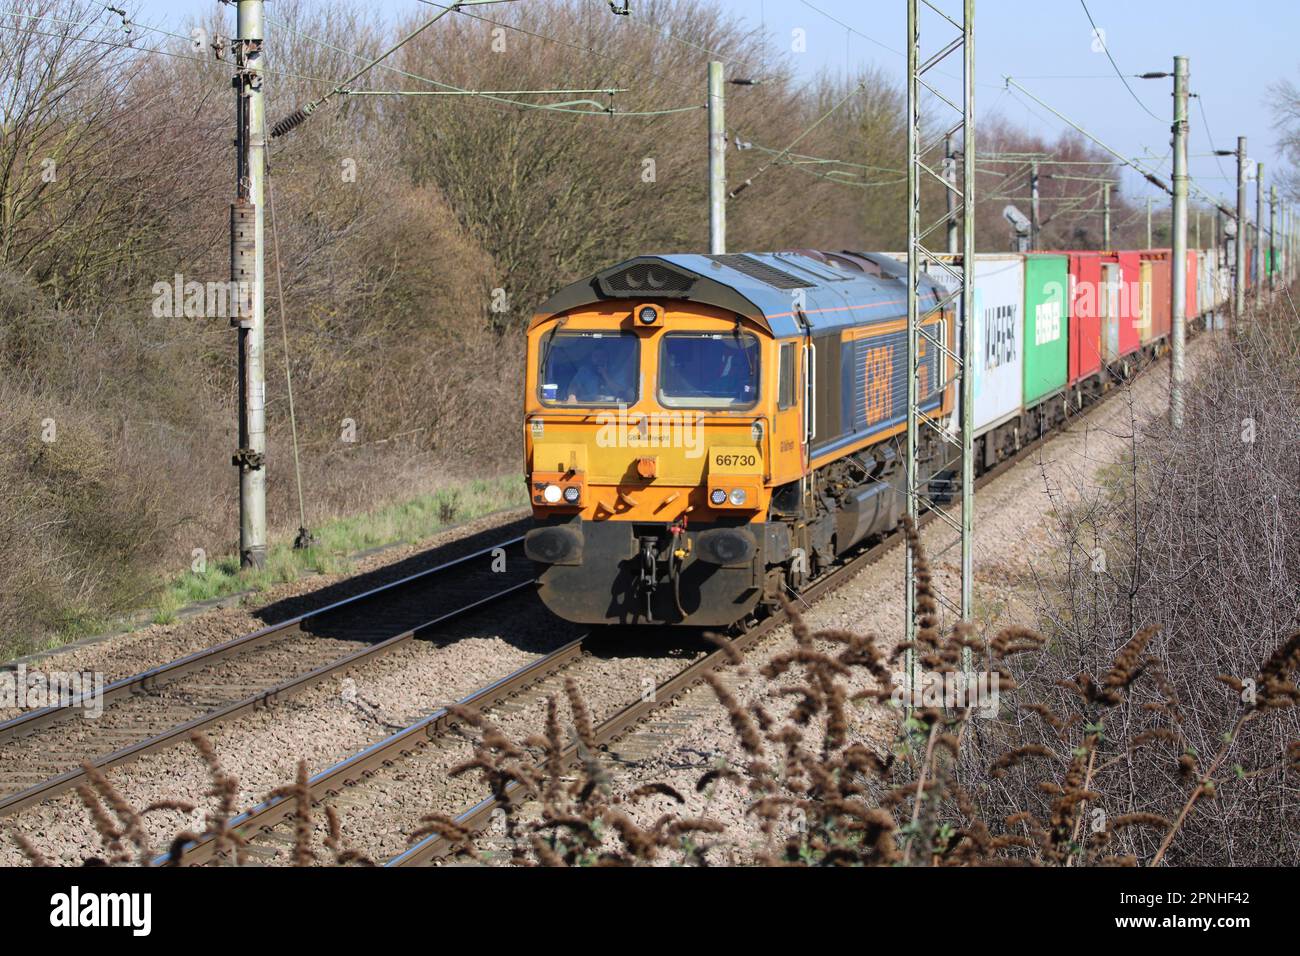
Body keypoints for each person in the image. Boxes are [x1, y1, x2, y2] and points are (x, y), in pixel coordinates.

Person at [567, 343, 632, 404]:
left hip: (612, 407)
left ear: (607, 358)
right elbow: (574, 385)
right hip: (589, 406)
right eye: (596, 356)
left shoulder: (617, 371)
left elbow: (621, 392)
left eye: (602, 356)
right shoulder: (584, 371)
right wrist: (572, 396)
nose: (599, 359)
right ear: (592, 358)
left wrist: (605, 375)